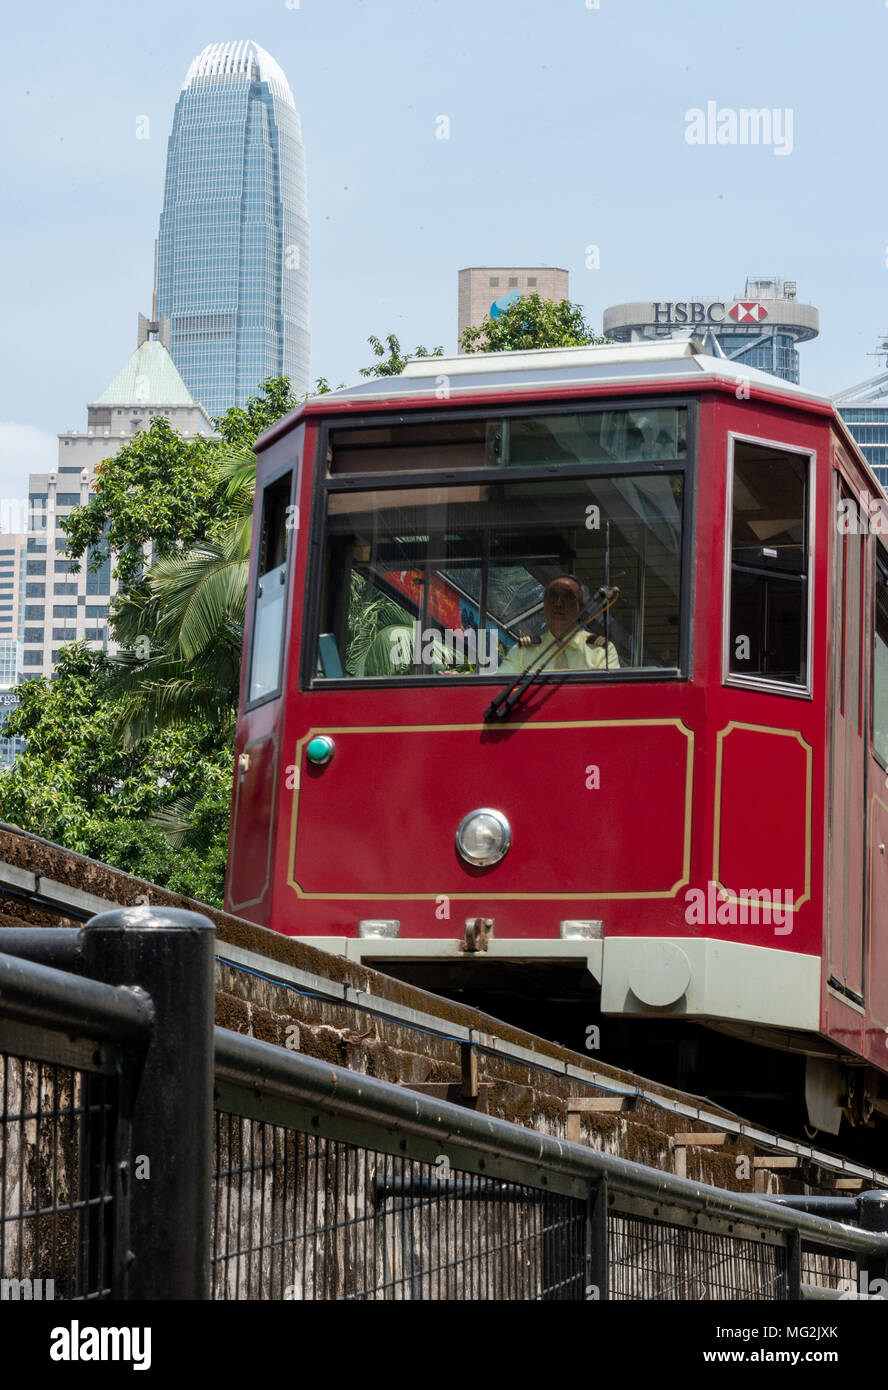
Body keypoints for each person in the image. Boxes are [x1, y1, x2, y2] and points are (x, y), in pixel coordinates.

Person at [499, 576, 620, 674]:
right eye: (552, 597)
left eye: (567, 597)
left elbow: (608, 696)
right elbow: (499, 689)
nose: (557, 603)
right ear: (544, 606)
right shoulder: (523, 651)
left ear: (581, 607)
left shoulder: (601, 651)